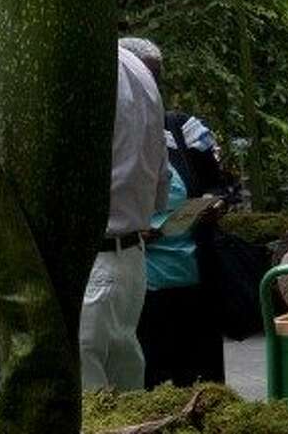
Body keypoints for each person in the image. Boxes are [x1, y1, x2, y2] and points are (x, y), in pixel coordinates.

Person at [120, 37, 226, 388]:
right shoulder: (113, 137)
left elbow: (221, 185)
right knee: (152, 376)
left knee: (201, 380)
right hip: (144, 283)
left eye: (156, 79)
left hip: (195, 279)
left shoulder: (182, 129)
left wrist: (214, 203)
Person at [79, 44, 170, 391]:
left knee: (91, 394)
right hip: (131, 258)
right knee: (126, 379)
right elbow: (162, 183)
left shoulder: (93, 66)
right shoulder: (145, 78)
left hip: (95, 259)